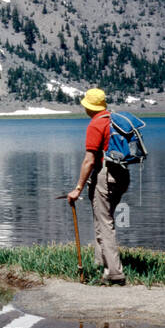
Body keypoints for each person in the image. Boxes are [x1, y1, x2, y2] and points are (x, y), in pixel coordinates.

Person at [66, 87, 128, 285]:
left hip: (105, 175)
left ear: (89, 107)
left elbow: (89, 161)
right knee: (103, 218)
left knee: (104, 222)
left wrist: (78, 188)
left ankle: (115, 274)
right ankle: (102, 264)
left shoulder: (95, 125)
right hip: (122, 175)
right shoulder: (113, 120)